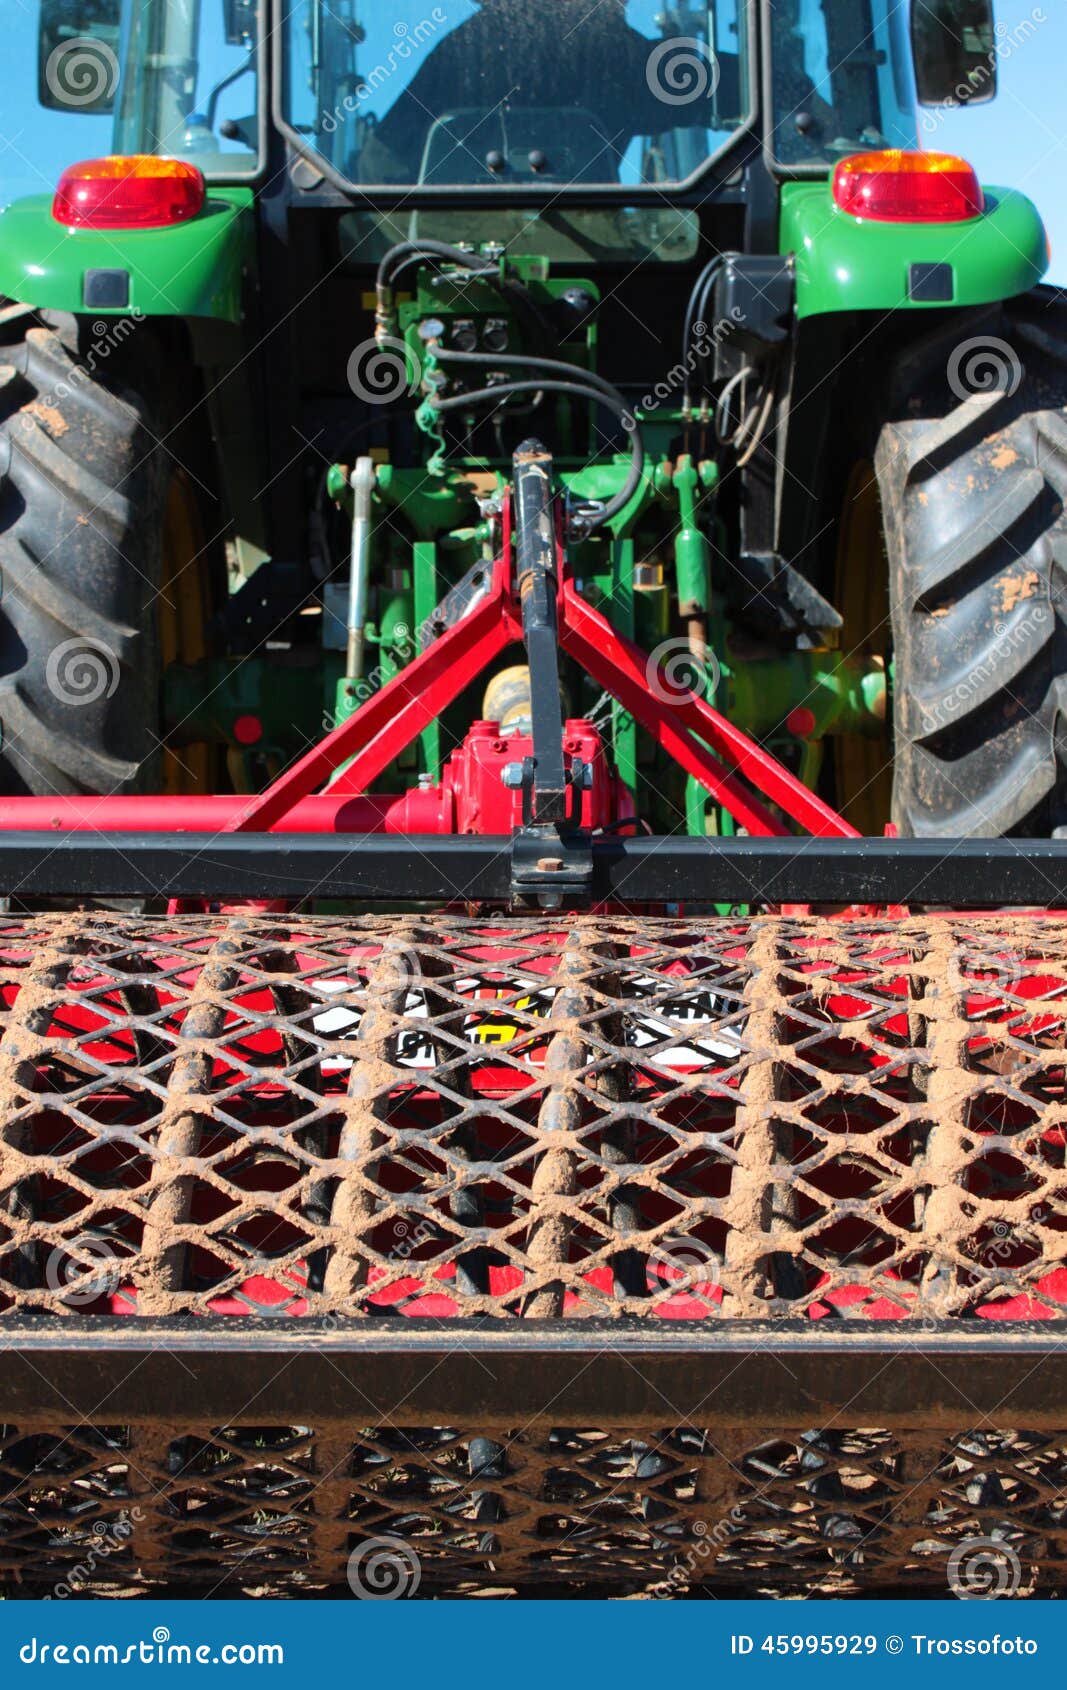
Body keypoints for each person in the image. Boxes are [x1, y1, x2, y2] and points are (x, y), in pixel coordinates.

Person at [364, 0, 730, 183]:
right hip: (591, 251)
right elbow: (724, 87)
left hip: (452, 255)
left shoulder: (458, 50)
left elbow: (380, 163)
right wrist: (779, 73)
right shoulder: (618, 54)